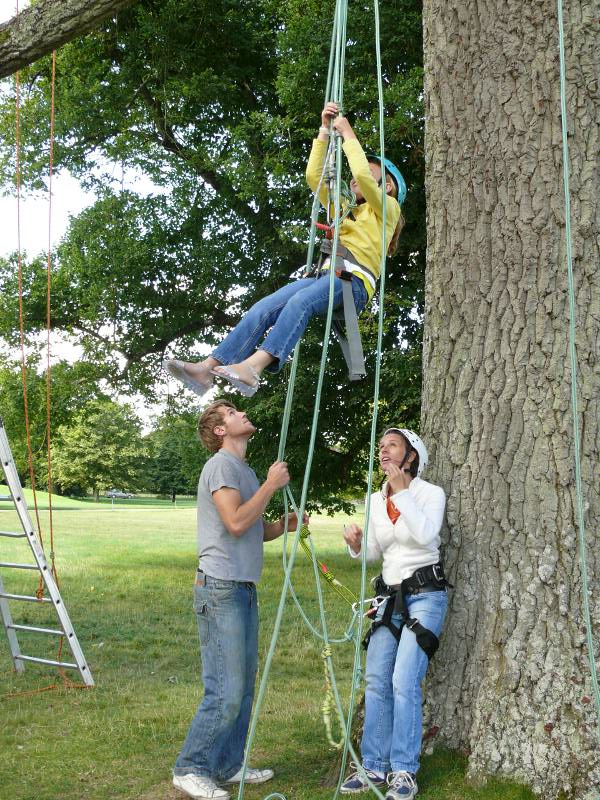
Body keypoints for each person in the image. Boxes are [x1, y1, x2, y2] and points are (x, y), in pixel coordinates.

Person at [163, 101, 405, 398]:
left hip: (352, 283)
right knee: (263, 308)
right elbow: (315, 179)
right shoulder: (344, 208)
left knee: (299, 302)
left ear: (388, 186)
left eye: (366, 170)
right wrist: (324, 133)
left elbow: (366, 181)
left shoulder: (387, 211)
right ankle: (207, 368)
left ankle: (253, 368)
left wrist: (349, 134)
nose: (355, 176)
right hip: (325, 276)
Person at [173, 399, 306, 800]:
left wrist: (283, 525)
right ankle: (191, 767)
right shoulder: (220, 466)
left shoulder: (243, 470)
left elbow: (252, 527)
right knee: (225, 689)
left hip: (243, 586)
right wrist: (270, 485)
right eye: (230, 413)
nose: (241, 414)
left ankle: (228, 765)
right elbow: (233, 523)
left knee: (244, 687)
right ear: (218, 430)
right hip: (221, 587)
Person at [340, 428, 450, 800]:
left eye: (392, 446)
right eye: (381, 446)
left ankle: (404, 771)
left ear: (411, 457)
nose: (382, 451)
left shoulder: (429, 494)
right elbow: (376, 552)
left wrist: (402, 493)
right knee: (376, 679)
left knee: (404, 680)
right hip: (389, 598)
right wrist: (357, 546)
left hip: (425, 596)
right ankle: (373, 764)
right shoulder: (375, 499)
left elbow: (424, 535)